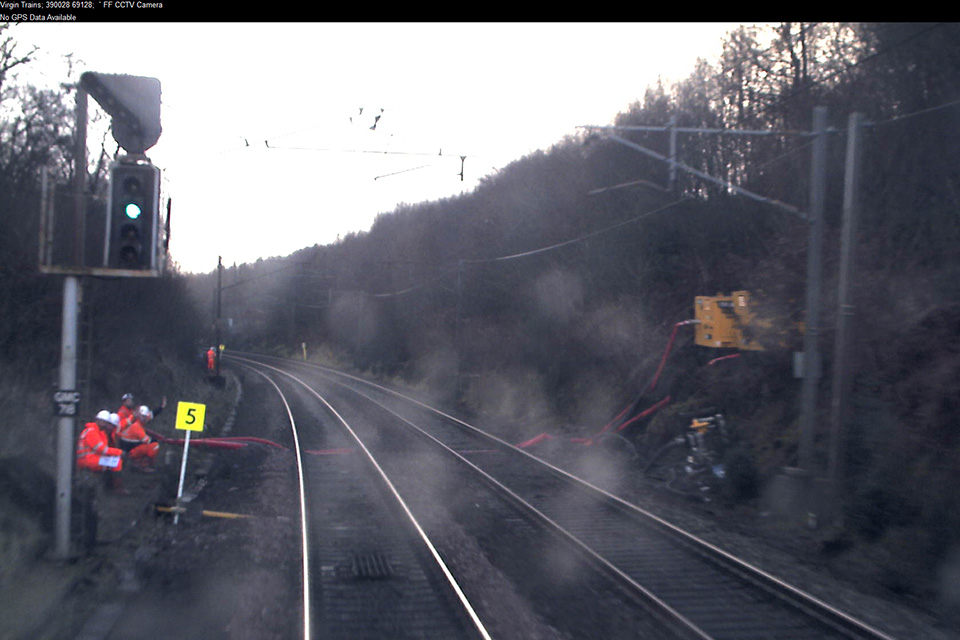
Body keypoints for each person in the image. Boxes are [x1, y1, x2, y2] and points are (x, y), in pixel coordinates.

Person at [76, 410, 125, 492]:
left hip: (91, 458)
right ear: (98, 420)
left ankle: (112, 486)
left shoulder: (98, 431)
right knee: (117, 463)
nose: (105, 425)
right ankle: (117, 488)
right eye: (103, 422)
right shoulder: (92, 432)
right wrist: (119, 452)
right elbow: (101, 449)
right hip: (87, 460)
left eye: (106, 422)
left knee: (114, 461)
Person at [116, 405, 161, 473]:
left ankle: (138, 461)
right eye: (143, 416)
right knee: (154, 446)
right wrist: (158, 440)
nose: (144, 418)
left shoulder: (136, 419)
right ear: (139, 415)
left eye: (145, 416)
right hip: (130, 451)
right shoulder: (136, 426)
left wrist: (161, 407)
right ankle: (142, 465)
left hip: (129, 446)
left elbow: (151, 415)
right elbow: (148, 440)